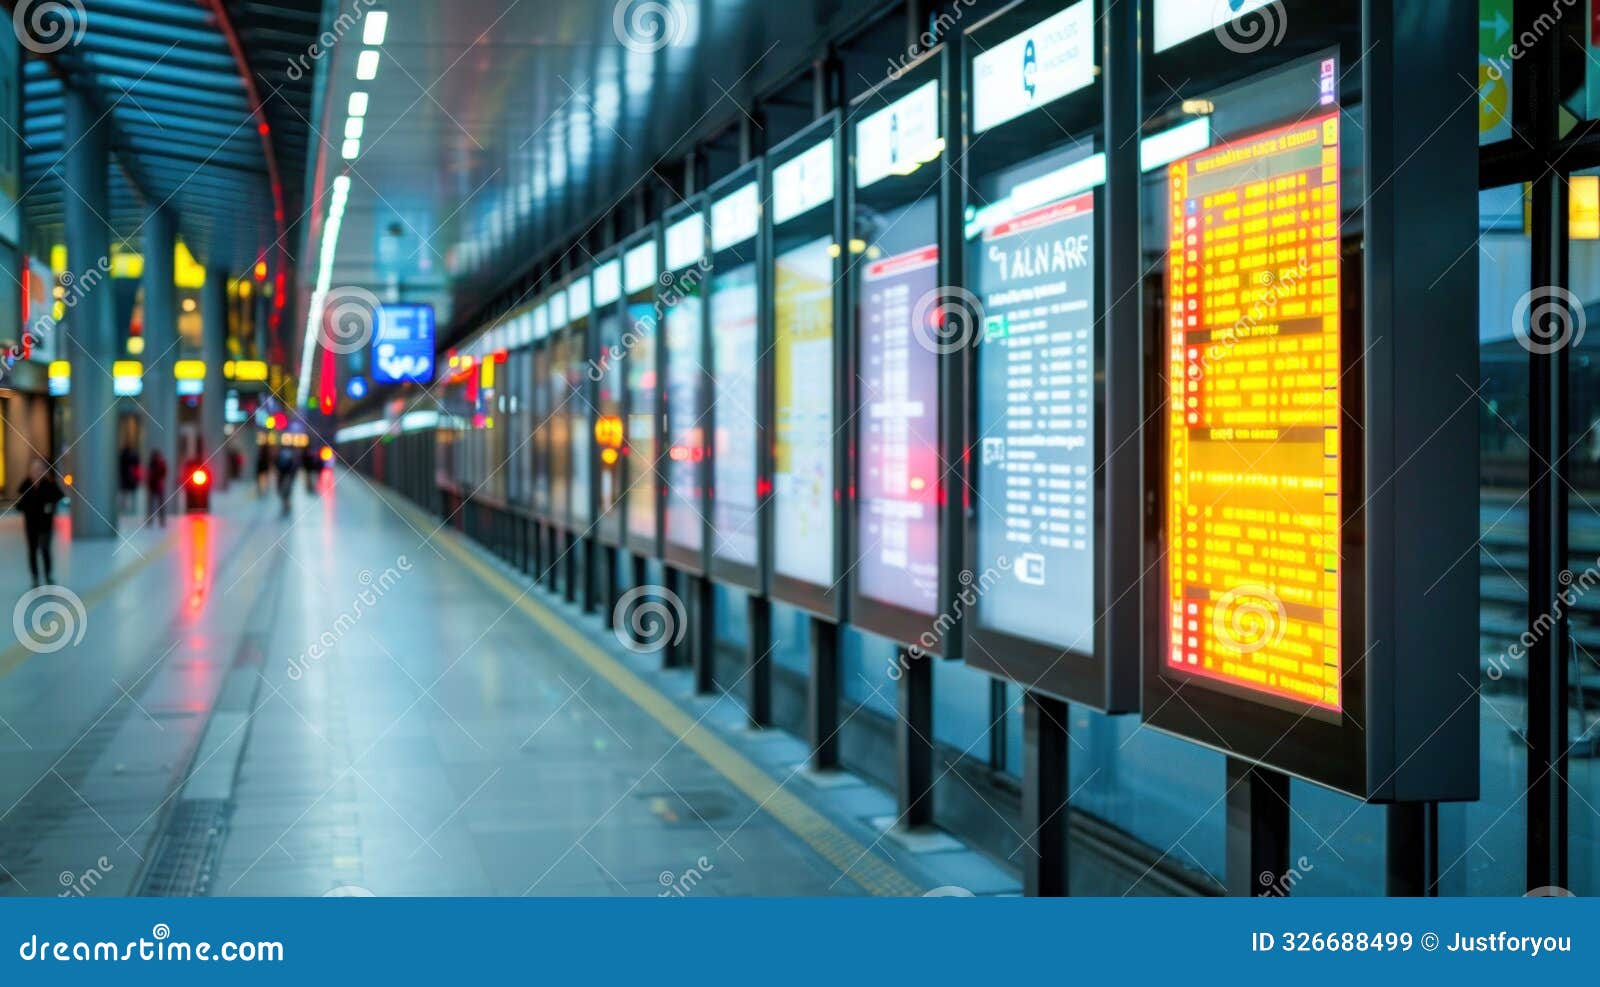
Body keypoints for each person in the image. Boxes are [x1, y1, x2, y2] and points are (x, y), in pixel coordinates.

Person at [16, 459, 64, 587]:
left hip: (45, 524)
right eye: (34, 470)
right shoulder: (26, 485)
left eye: (39, 470)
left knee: (45, 549)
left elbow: (59, 496)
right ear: (30, 472)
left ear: (44, 472)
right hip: (31, 523)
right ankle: (35, 577)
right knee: (32, 550)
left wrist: (50, 507)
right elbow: (19, 503)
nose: (36, 472)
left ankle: (48, 575)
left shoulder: (49, 484)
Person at [145, 448, 169, 528]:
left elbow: (163, 473)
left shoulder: (160, 464)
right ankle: (152, 520)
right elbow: (149, 475)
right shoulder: (152, 464)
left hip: (158, 486)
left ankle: (161, 520)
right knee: (152, 504)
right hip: (153, 486)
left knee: (159, 504)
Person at [275, 444, 297, 518]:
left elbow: (277, 464)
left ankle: (286, 505)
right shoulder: (290, 455)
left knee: (284, 492)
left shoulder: (281, 455)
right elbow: (294, 467)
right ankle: (286, 505)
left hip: (284, 476)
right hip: (287, 476)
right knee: (286, 492)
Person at [117, 444, 140, 515]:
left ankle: (125, 508)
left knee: (125, 494)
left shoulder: (124, 456)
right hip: (129, 478)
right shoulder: (133, 456)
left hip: (126, 478)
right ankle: (132, 509)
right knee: (129, 494)